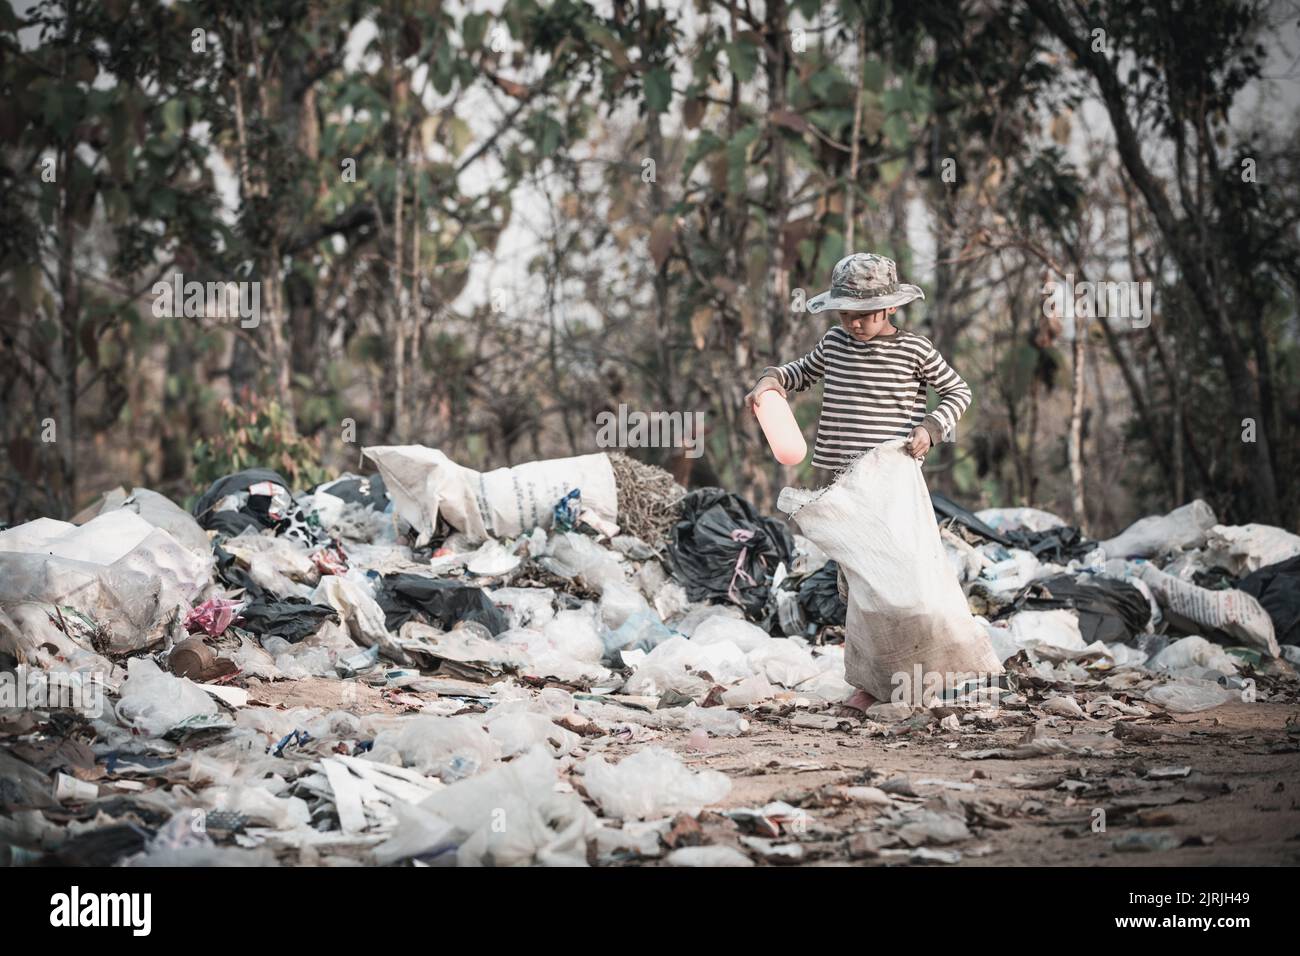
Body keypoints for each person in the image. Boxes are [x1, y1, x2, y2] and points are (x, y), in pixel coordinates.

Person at [743, 252, 973, 714]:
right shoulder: (834, 344)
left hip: (894, 482)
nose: (854, 324)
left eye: (864, 315)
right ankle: (872, 683)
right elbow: (798, 374)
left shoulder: (915, 350)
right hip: (845, 485)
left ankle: (921, 675)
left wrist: (929, 428)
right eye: (845, 314)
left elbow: (958, 391)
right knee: (862, 586)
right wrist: (769, 382)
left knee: (904, 581)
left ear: (889, 309)